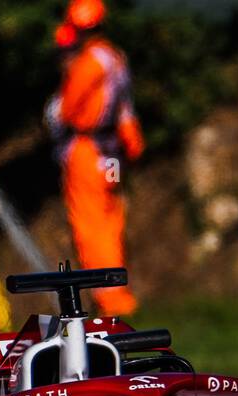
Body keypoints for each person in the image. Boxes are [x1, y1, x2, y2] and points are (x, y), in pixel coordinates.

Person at [45, 0, 144, 316]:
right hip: (112, 151)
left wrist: (52, 114)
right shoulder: (116, 58)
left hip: (87, 151)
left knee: (90, 225)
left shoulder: (89, 64)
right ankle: (119, 294)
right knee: (111, 221)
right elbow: (126, 108)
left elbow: (68, 111)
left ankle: (109, 299)